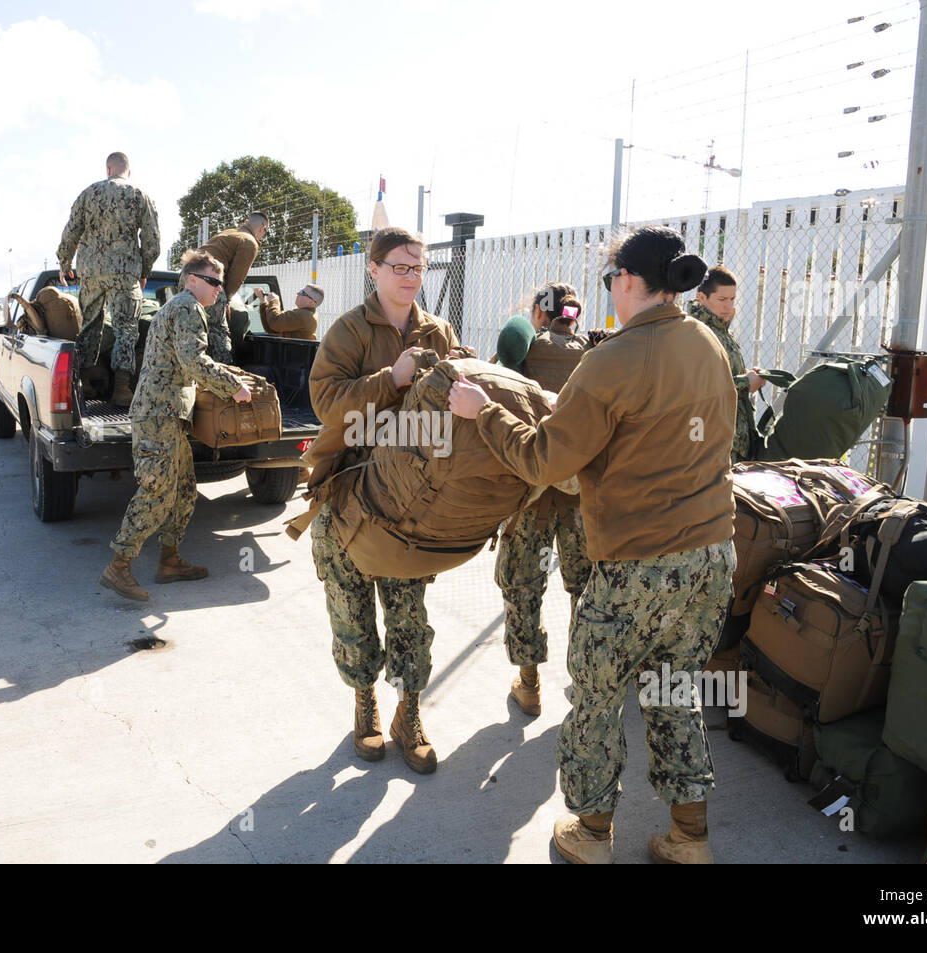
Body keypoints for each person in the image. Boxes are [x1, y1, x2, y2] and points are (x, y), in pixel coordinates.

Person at [448, 225, 737, 865]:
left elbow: (546, 459)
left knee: (598, 697)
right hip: (711, 554)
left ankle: (592, 834)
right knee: (673, 690)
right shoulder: (708, 345)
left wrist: (482, 410)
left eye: (611, 280)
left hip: (638, 561)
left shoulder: (613, 358)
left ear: (629, 282)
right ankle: (690, 838)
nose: (609, 291)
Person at [306, 226, 460, 775]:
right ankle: (364, 702)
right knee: (350, 607)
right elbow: (326, 403)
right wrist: (388, 379)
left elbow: (460, 379)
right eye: (401, 267)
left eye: (419, 267)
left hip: (411, 499)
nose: (413, 277)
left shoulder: (437, 331)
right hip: (350, 488)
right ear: (373, 269)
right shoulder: (349, 331)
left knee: (409, 612)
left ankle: (408, 711)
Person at [99, 250, 252, 602]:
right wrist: (234, 387)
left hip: (169, 413)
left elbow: (188, 362)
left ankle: (170, 561)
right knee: (156, 490)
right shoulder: (186, 307)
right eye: (213, 282)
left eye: (221, 283)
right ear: (192, 280)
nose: (218, 289)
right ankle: (119, 565)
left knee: (184, 490)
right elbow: (194, 360)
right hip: (157, 414)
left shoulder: (184, 307)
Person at [496, 282, 593, 718]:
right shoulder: (594, 354)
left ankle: (530, 683)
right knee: (586, 590)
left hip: (529, 496)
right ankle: (586, 680)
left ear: (540, 310)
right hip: (581, 501)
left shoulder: (523, 351)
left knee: (523, 587)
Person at [57, 151, 161, 407]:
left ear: (107, 169)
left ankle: (82, 383)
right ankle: (122, 389)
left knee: (90, 326)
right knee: (127, 328)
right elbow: (152, 240)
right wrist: (145, 271)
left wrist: (64, 263)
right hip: (125, 273)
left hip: (91, 272)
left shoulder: (88, 193)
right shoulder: (139, 195)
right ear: (129, 170)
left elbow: (71, 231)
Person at [686, 267, 765, 462]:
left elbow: (724, 375)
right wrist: (746, 383)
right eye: (722, 300)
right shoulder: (696, 333)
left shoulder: (721, 330)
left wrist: (748, 375)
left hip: (731, 439)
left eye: (732, 299)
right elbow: (700, 390)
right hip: (711, 442)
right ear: (702, 298)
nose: (728, 306)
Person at [199, 212, 270, 362]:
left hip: (188, 278)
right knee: (219, 332)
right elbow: (237, 277)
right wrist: (226, 301)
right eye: (265, 231)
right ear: (263, 228)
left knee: (195, 327)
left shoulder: (229, 233)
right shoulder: (249, 242)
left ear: (246, 221)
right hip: (209, 282)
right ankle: (223, 374)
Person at [254, 283, 323, 340]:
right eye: (301, 290)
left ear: (311, 302)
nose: (298, 293)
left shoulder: (305, 315)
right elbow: (271, 328)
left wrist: (274, 301)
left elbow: (275, 322)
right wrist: (263, 301)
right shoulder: (305, 313)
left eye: (303, 293)